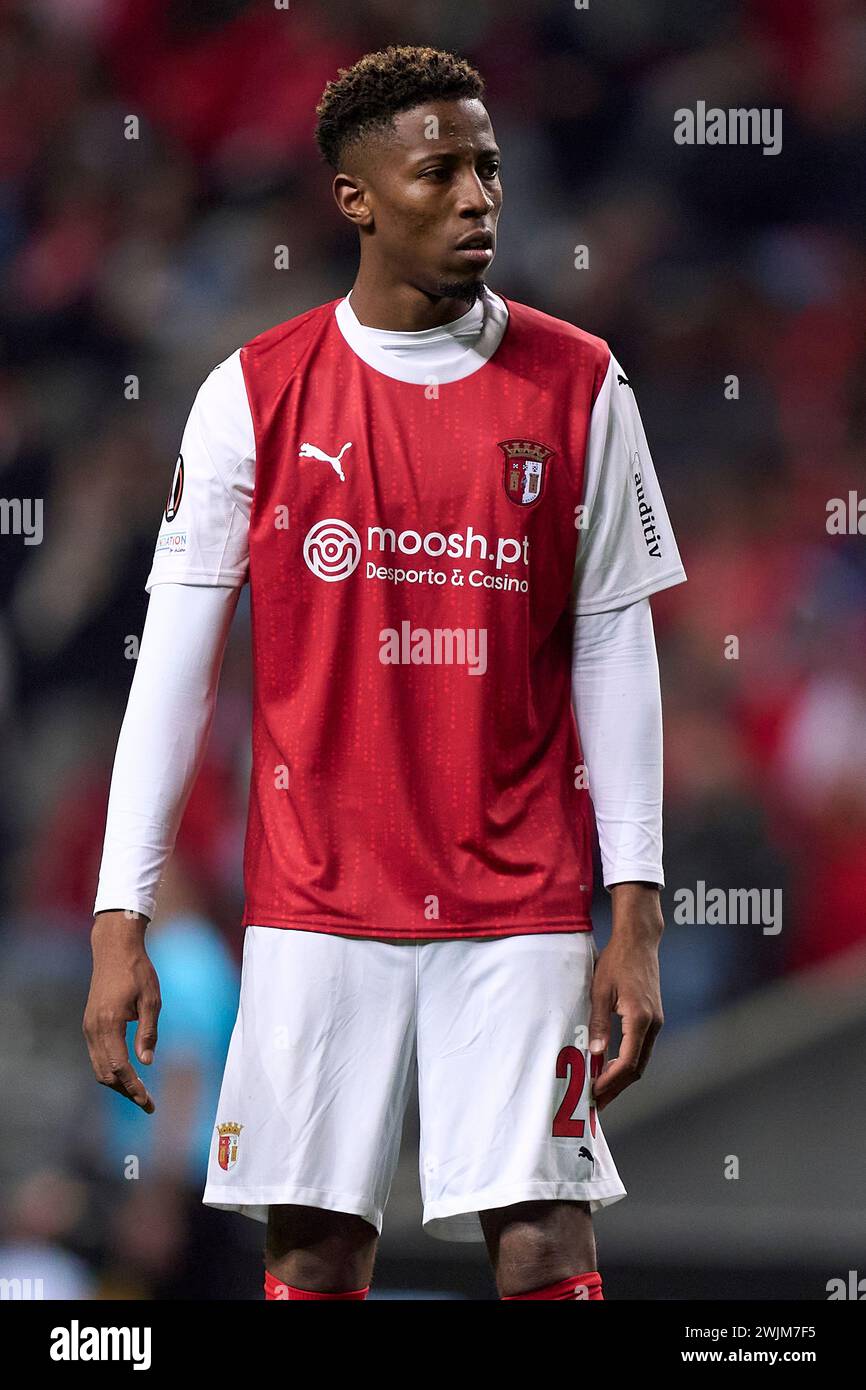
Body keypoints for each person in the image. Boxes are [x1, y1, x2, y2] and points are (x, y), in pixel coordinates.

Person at [84, 44, 686, 1302]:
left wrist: (635, 911)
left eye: (489, 168)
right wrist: (117, 914)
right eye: (440, 171)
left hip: (518, 897)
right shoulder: (250, 394)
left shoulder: (581, 383)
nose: (478, 197)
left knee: (543, 1238)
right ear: (355, 197)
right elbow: (174, 673)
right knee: (312, 1246)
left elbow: (613, 646)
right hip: (315, 898)